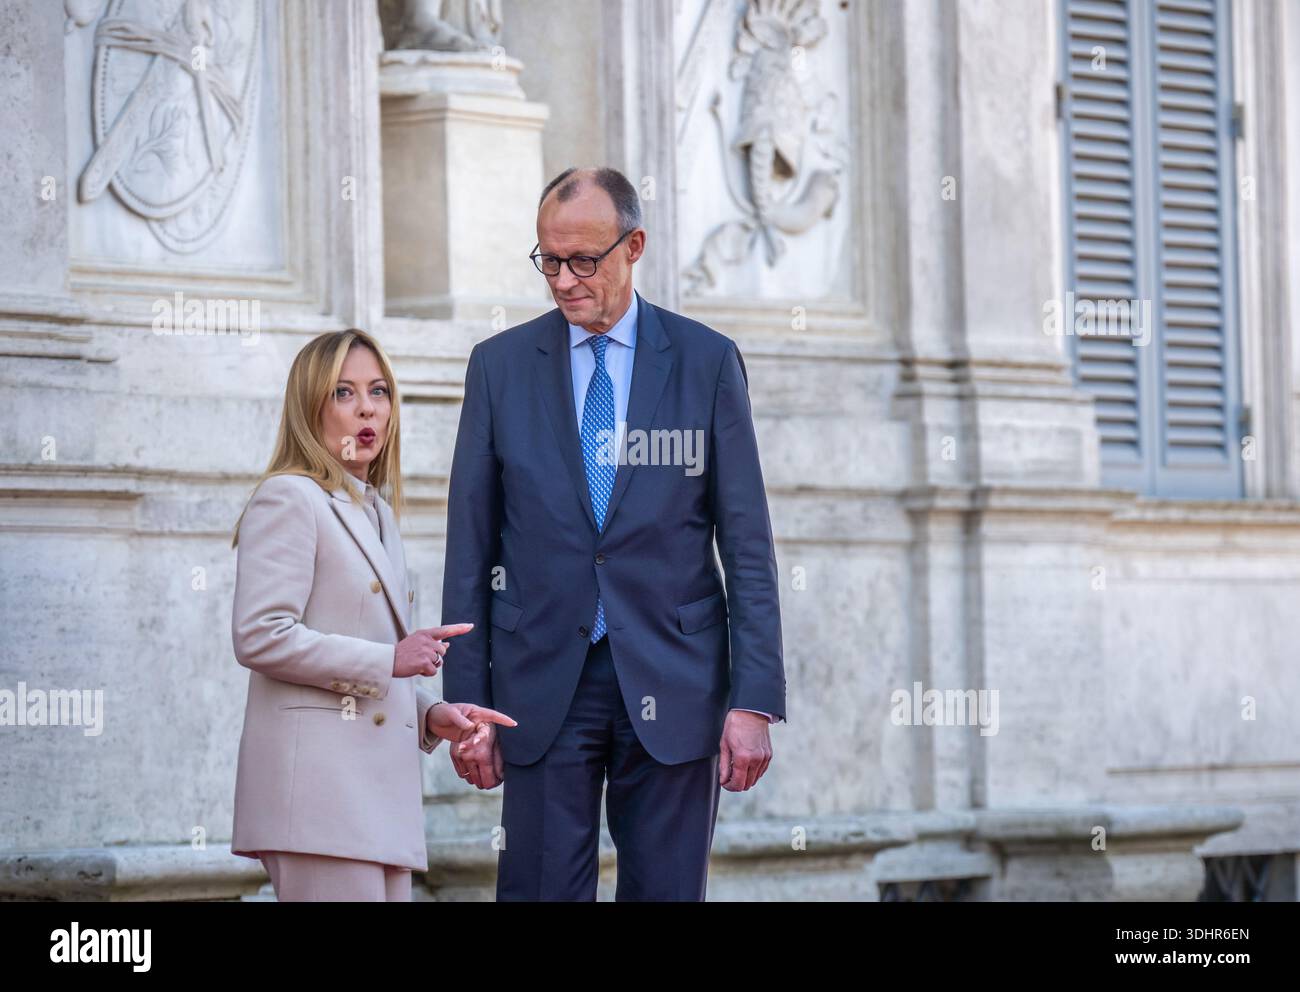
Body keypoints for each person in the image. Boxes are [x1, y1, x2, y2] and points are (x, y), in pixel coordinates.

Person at [442, 167, 786, 901]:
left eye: (583, 261)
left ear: (635, 246)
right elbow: (470, 548)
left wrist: (754, 700)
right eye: (548, 260)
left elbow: (748, 545)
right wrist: (465, 700)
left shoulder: (706, 361)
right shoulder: (498, 368)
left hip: (677, 679)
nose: (564, 281)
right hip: (537, 688)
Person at [229, 328, 514, 901]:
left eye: (379, 390)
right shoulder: (290, 497)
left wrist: (433, 712)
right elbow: (260, 636)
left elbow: (364, 657)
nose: (367, 408)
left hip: (374, 803)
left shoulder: (376, 511)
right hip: (318, 798)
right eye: (343, 392)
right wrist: (392, 658)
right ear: (310, 408)